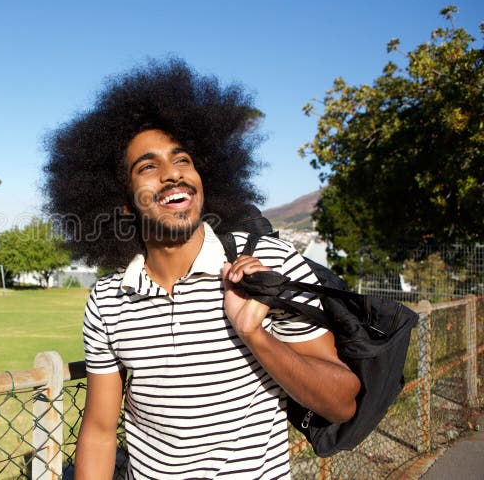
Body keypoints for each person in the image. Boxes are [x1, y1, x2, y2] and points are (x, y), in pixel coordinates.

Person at [43, 59, 360, 479]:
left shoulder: (269, 265)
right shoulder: (107, 301)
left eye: (183, 160)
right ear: (122, 201)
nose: (172, 174)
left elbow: (340, 403)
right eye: (148, 167)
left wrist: (256, 336)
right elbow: (101, 432)